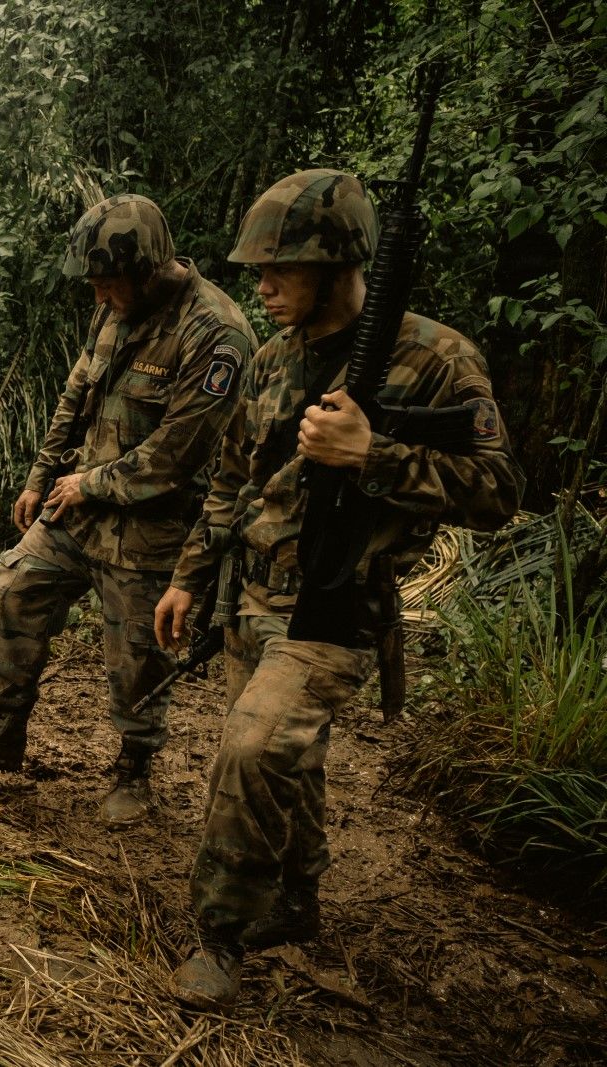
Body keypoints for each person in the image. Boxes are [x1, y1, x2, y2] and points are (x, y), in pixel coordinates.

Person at [156, 169, 523, 1011]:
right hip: (254, 597)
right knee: (287, 758)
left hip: (338, 607)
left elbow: (500, 491)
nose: (262, 284)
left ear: (339, 261)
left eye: (281, 267)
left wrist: (374, 455)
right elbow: (230, 477)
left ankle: (220, 933)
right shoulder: (273, 358)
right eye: (256, 269)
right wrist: (189, 579)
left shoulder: (435, 358)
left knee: (249, 749)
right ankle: (296, 897)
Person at [0, 194, 257, 826]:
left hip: (153, 527)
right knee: (15, 585)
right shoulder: (116, 310)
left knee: (137, 653)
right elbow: (76, 393)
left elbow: (179, 452)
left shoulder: (216, 334)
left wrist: (88, 483)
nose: (99, 299)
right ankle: (2, 726)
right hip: (80, 505)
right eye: (95, 287)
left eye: (107, 285)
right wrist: (40, 475)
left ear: (149, 268)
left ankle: (134, 771)